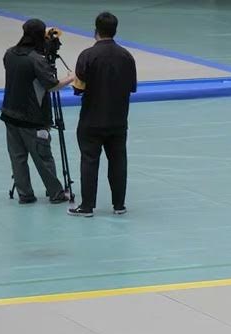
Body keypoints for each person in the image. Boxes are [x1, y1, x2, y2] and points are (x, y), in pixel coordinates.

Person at [66, 12, 136, 218]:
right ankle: (119, 204)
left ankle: (87, 206)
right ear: (115, 30)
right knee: (118, 160)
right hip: (118, 119)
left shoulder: (87, 55)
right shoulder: (126, 56)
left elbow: (79, 88)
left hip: (91, 119)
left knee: (89, 160)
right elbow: (131, 87)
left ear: (95, 30)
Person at [1, 18, 75, 205]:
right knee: (43, 157)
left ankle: (24, 194)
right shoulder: (37, 60)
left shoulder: (9, 54)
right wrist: (71, 78)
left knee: (18, 158)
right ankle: (56, 193)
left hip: (9, 114)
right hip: (32, 118)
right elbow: (51, 86)